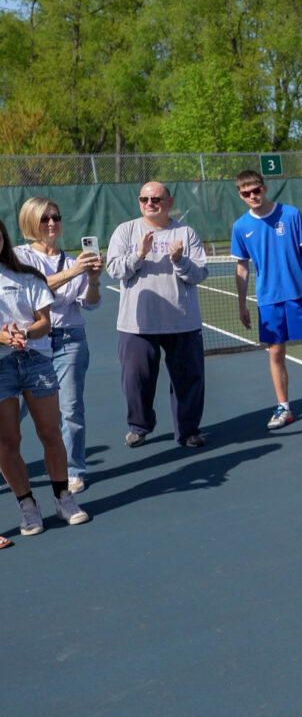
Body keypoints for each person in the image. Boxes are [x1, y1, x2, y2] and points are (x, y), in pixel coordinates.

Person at [231, 170, 302, 430]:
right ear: (240, 195)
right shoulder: (241, 227)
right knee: (276, 352)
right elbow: (242, 268)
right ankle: (284, 407)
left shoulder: (291, 214)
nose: (252, 196)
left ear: (264, 188)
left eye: (256, 190)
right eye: (246, 193)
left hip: (300, 295)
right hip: (269, 300)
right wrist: (242, 304)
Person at [0, 217, 89, 545]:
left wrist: (22, 333)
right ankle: (27, 505)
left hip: (35, 362)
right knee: (8, 441)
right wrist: (3, 338)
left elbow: (44, 322)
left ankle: (63, 498)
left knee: (51, 433)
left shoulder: (27, 276)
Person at [106, 181, 208, 448]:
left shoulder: (186, 233)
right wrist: (139, 254)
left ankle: (188, 431)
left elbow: (199, 273)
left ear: (169, 202)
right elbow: (114, 269)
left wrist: (179, 260)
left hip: (182, 323)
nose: (150, 203)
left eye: (156, 199)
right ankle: (139, 426)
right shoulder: (126, 231)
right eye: (144, 199)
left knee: (188, 381)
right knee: (136, 382)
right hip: (136, 324)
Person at [15, 197, 102, 493]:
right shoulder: (20, 257)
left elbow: (88, 304)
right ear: (31, 222)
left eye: (56, 217)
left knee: (71, 409)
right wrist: (73, 272)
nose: (52, 223)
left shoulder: (71, 259)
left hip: (69, 339)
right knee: (14, 411)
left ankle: (73, 469)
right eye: (44, 218)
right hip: (32, 343)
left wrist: (93, 281)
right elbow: (31, 291)